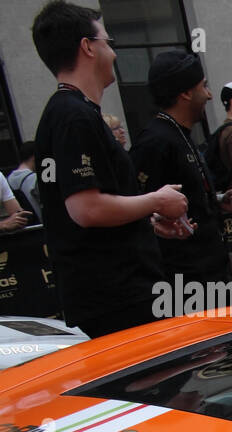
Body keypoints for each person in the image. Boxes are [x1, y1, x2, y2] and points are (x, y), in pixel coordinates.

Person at [31, 0, 187, 338]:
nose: (114, 53)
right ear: (87, 47)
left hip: (117, 291)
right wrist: (157, 201)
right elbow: (86, 209)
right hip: (119, 297)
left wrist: (145, 219)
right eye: (108, 42)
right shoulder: (74, 116)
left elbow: (94, 206)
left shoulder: (71, 113)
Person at [130, 50, 232, 285]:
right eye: (203, 87)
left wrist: (218, 201)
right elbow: (139, 207)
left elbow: (187, 198)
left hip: (214, 271)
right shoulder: (155, 141)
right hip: (185, 282)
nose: (210, 95)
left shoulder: (180, 134)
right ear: (185, 93)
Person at [7, 141, 42, 221]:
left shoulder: (9, 179)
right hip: (41, 225)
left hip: (25, 225)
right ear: (34, 157)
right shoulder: (35, 179)